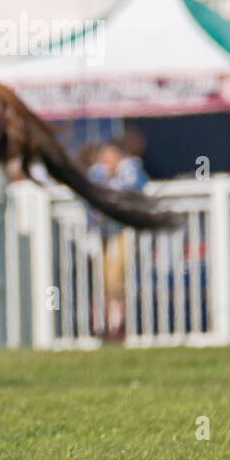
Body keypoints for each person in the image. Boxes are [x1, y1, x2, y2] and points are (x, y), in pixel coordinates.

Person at [88, 138, 148, 339]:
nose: (107, 161)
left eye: (111, 157)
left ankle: (118, 324)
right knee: (102, 278)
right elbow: (89, 203)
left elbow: (138, 192)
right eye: (104, 157)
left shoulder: (132, 175)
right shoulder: (96, 176)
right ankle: (106, 324)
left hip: (123, 229)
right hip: (101, 231)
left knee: (117, 279)